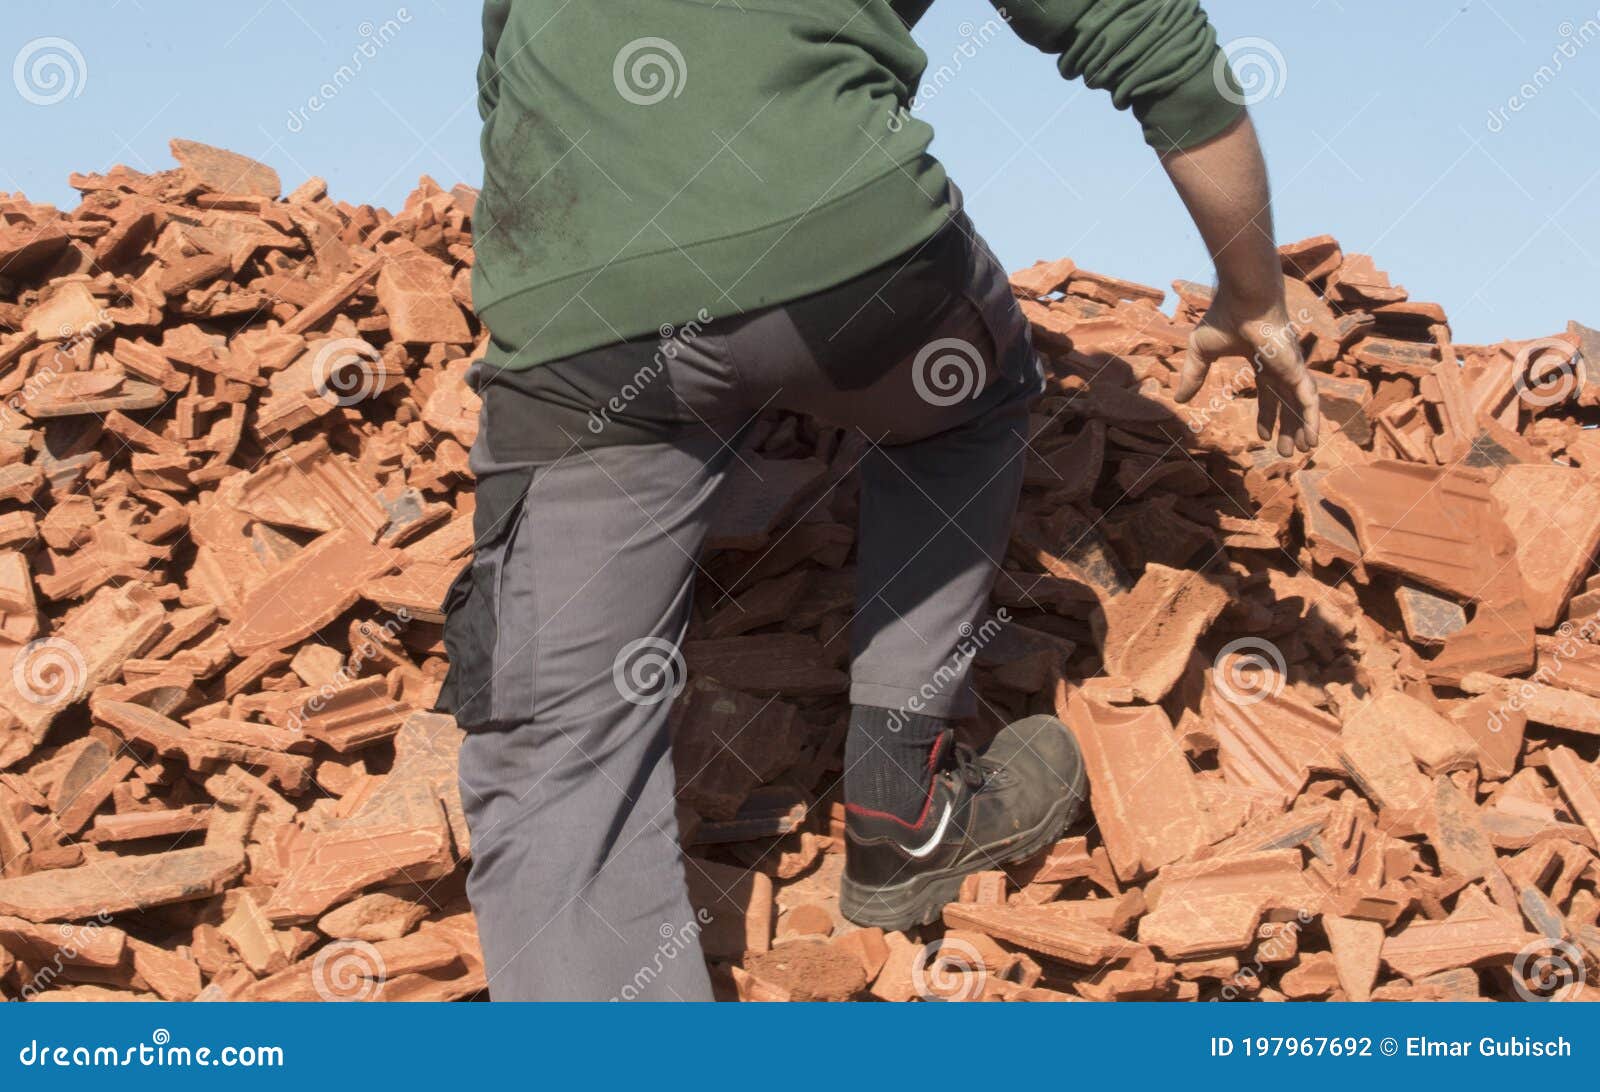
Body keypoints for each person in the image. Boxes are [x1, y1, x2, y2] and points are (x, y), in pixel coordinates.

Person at [440, 0, 1320, 1001]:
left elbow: (502, 80)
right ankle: (904, 802)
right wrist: (1253, 294)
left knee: (554, 748)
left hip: (572, 300)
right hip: (847, 256)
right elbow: (1149, 37)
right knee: (970, 393)